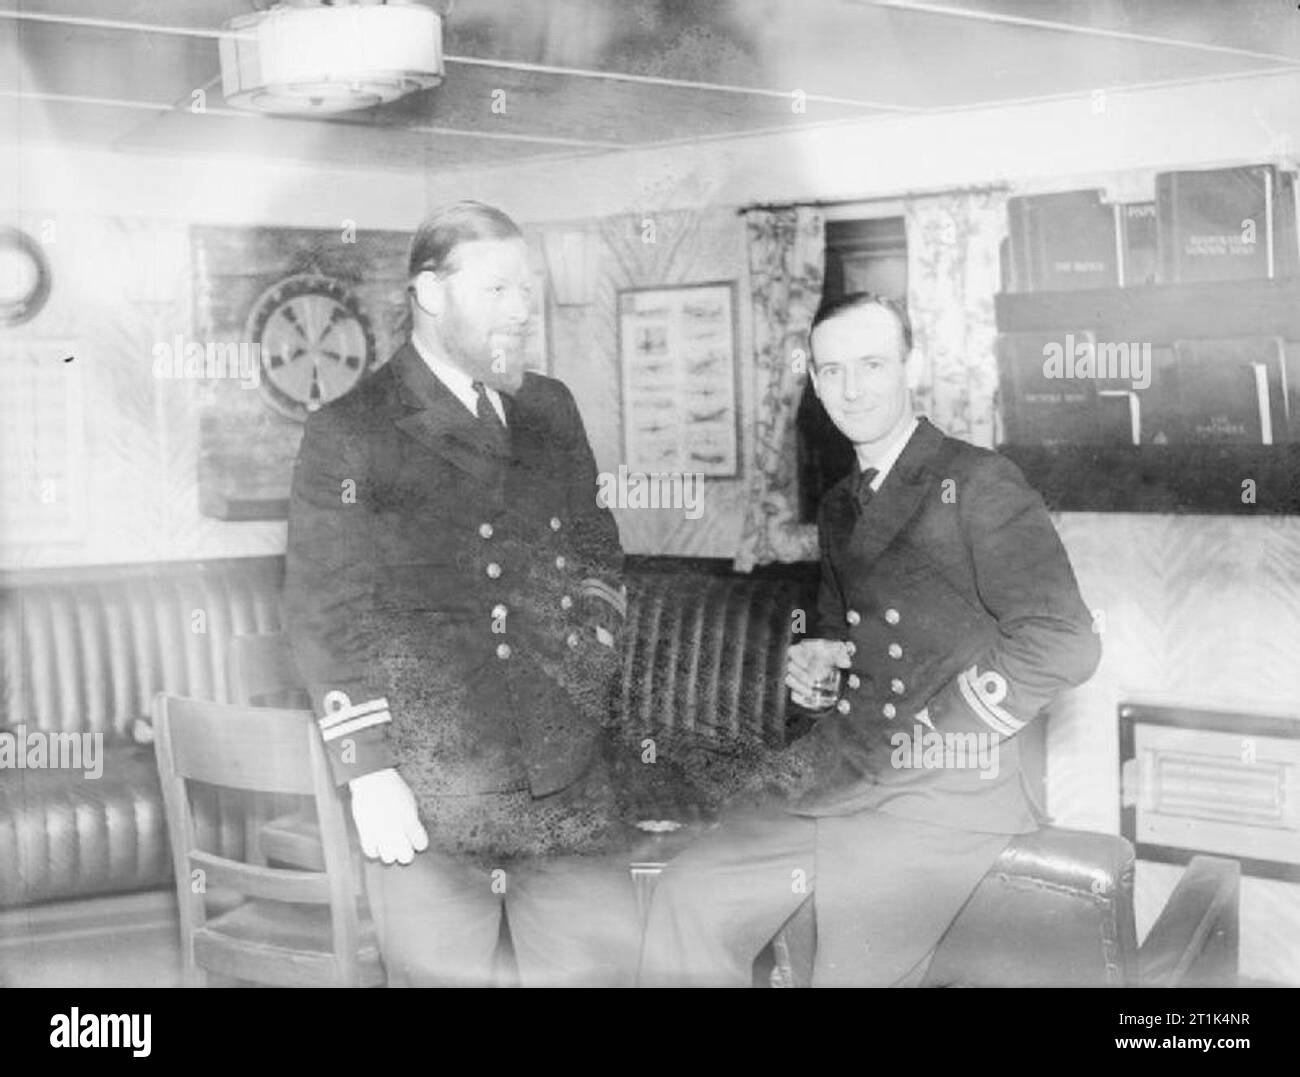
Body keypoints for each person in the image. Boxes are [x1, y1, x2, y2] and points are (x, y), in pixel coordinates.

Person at [639, 292, 1102, 987]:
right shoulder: (840, 503)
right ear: (815, 381)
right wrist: (818, 665)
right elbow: (844, 635)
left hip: (946, 792)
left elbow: (1065, 641)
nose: (851, 388)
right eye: (831, 370)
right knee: (687, 899)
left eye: (872, 364)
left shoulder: (979, 482)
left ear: (911, 367)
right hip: (847, 774)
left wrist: (942, 732)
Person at [283, 200, 642, 987]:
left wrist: (592, 662)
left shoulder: (550, 407)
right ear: (430, 292)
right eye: (499, 288)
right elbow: (324, 609)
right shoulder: (354, 430)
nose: (522, 310)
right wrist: (369, 773)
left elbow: (595, 550)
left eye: (528, 288)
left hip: (568, 778)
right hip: (432, 789)